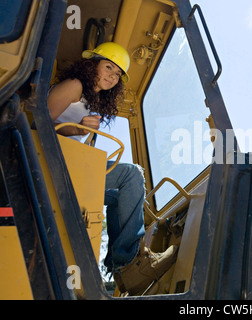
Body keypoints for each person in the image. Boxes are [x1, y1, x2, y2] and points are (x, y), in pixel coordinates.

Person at [47, 42, 177, 295]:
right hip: (52, 165)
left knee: (120, 197)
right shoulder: (74, 85)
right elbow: (34, 122)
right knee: (131, 174)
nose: (112, 76)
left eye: (117, 74)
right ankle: (129, 263)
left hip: (68, 166)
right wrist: (77, 128)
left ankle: (122, 266)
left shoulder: (88, 99)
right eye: (108, 67)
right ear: (91, 64)